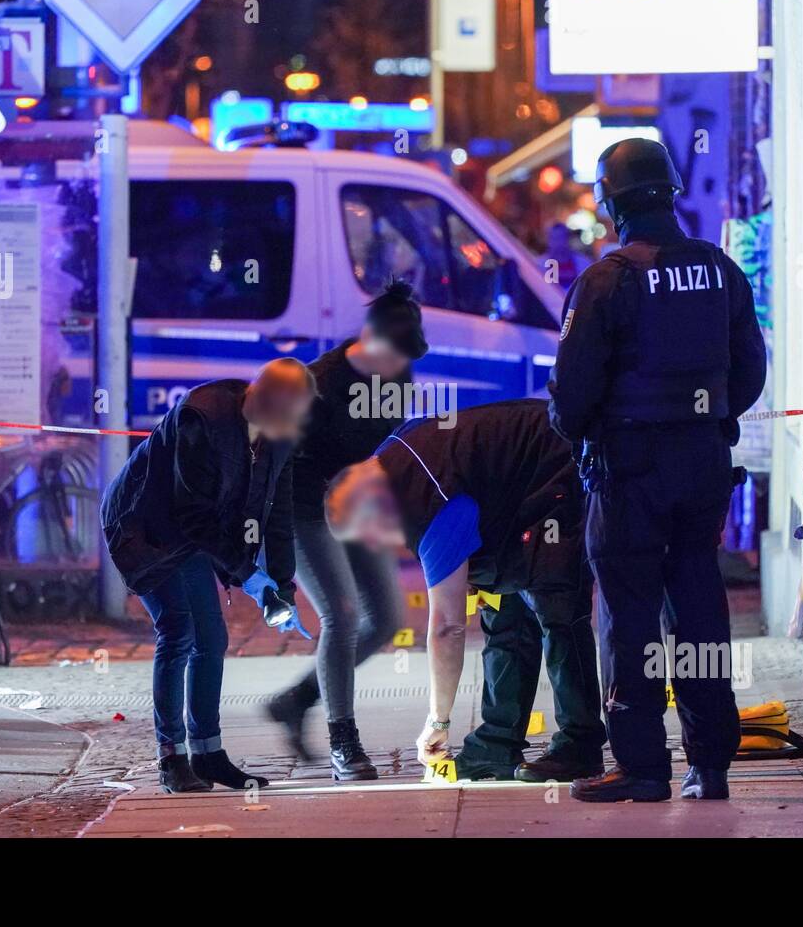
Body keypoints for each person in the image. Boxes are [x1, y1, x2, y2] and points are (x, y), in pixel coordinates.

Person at [549, 138, 767, 803]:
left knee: (630, 615)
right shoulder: (720, 270)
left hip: (629, 474)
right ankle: (711, 764)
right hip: (702, 466)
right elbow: (750, 371)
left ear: (611, 204)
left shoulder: (607, 280)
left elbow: (571, 394)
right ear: (670, 192)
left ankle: (642, 768)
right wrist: (706, 419)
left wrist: (585, 432)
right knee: (700, 604)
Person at [324, 399, 607, 782]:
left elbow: (447, 628)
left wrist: (437, 721)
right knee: (503, 610)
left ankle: (581, 743)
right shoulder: (389, 459)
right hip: (514, 489)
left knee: (556, 602)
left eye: (372, 536)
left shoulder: (431, 502)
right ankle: (496, 745)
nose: (384, 546)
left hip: (558, 465)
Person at [101, 359, 317, 794]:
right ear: (259, 402)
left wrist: (283, 586)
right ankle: (172, 757)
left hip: (190, 534)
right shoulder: (203, 418)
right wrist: (249, 578)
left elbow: (278, 516)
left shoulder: (281, 436)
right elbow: (193, 514)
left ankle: (208, 753)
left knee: (211, 638)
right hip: (145, 527)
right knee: (179, 630)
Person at [264, 280, 428, 780]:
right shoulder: (320, 383)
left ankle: (296, 699)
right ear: (369, 342)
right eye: (394, 358)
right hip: (303, 508)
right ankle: (344, 742)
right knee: (340, 612)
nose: (401, 370)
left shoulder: (398, 375)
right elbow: (275, 459)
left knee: (384, 619)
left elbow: (390, 447)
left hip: (355, 506)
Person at [538, 222, 591, 296]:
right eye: (553, 238)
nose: (558, 242)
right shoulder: (539, 265)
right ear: (548, 240)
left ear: (568, 239)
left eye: (561, 238)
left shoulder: (584, 263)